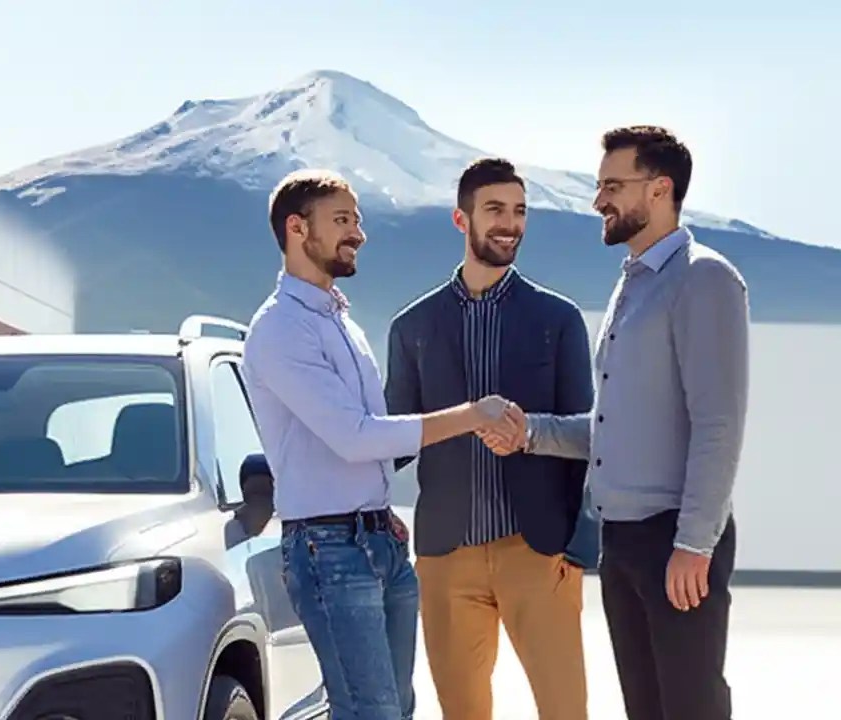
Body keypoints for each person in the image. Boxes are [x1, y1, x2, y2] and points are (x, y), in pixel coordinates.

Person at [480, 126, 749, 720]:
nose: (598, 199)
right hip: (622, 540)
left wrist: (694, 543)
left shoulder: (703, 279)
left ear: (659, 189)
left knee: (692, 709)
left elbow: (718, 424)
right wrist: (530, 432)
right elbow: (615, 429)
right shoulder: (632, 284)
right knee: (645, 710)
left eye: (611, 185)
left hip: (674, 539)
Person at [241, 168, 511, 720]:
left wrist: (379, 507)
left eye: (357, 220)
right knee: (373, 712)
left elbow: (372, 435)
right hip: (329, 550)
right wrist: (472, 414)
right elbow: (355, 436)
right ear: (297, 228)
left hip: (376, 541)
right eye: (341, 220)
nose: (358, 233)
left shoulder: (340, 319)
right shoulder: (280, 329)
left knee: (395, 710)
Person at [384, 158, 595, 720]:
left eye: (520, 211)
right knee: (462, 711)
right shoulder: (413, 327)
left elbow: (591, 437)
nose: (510, 223)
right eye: (495, 209)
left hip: (538, 550)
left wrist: (578, 547)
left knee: (564, 709)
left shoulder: (559, 319)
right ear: (462, 219)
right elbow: (393, 440)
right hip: (446, 555)